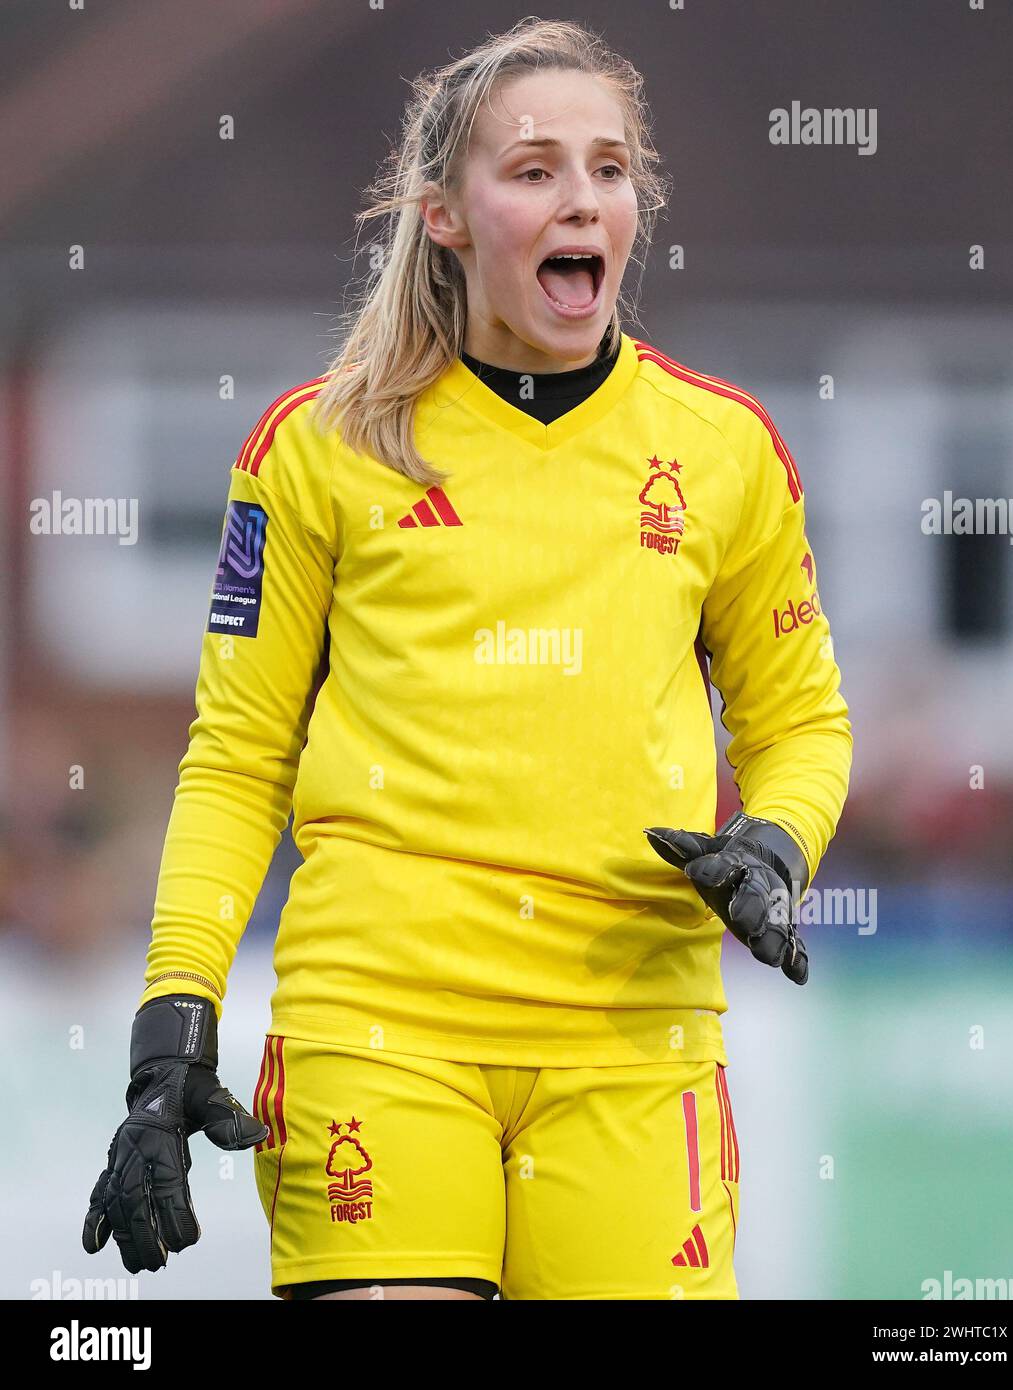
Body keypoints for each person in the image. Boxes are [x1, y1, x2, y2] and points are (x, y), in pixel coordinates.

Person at [82, 16, 851, 1301]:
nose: (581, 199)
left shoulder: (724, 452)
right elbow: (237, 758)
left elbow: (802, 728)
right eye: (535, 169)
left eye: (608, 169)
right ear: (443, 213)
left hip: (634, 1043)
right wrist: (171, 1033)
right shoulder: (318, 448)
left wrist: (772, 847)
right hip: (380, 1034)